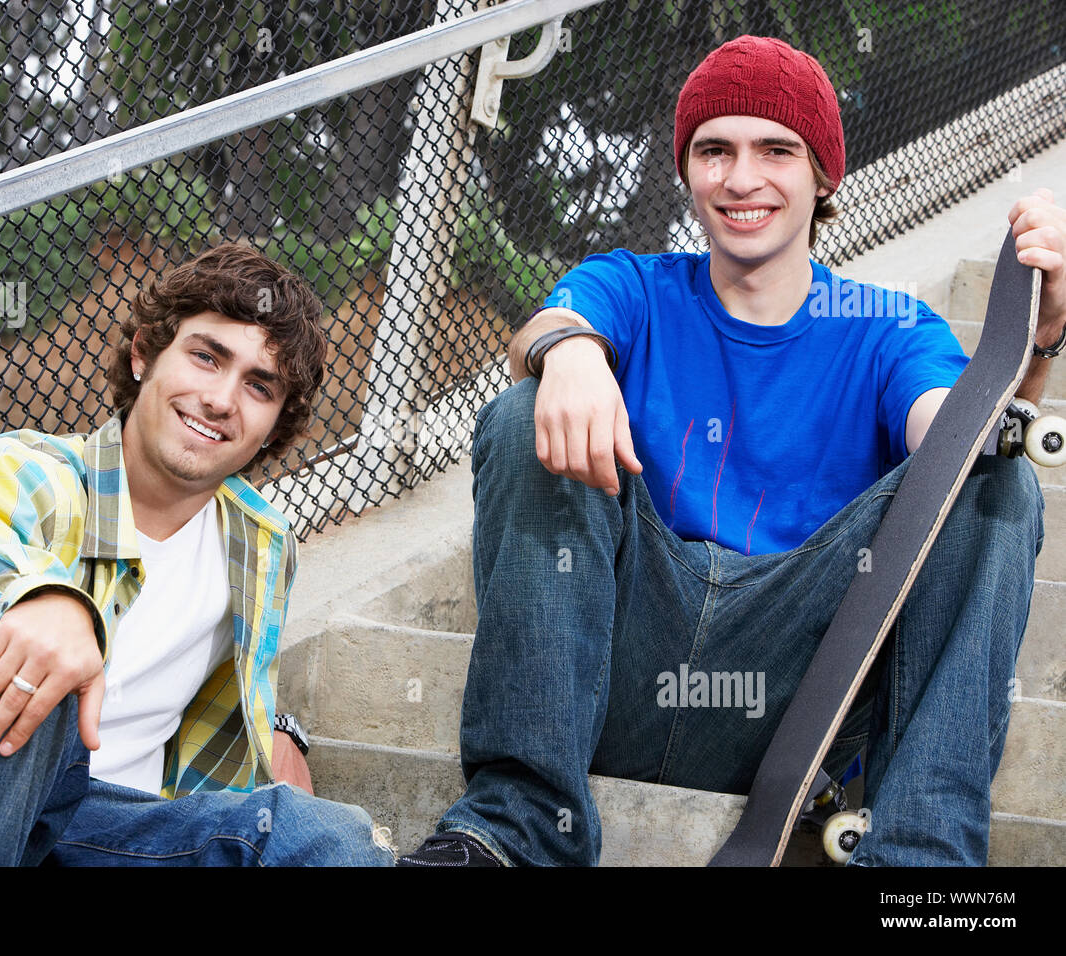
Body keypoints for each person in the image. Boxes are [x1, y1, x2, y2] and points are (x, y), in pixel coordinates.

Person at [398, 35, 1066, 867]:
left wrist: (1030, 347)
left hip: (794, 688)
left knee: (994, 485)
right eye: (715, 150)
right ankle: (515, 826)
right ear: (686, 171)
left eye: (775, 151)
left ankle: (917, 863)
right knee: (521, 413)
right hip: (622, 661)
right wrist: (566, 353)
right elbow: (551, 322)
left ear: (825, 176)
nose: (741, 178)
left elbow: (953, 430)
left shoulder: (887, 328)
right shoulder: (635, 286)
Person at [0, 243, 395, 866]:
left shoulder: (262, 543)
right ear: (145, 353)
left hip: (94, 831)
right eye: (206, 357)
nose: (222, 400)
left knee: (327, 839)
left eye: (259, 388)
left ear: (276, 424)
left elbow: (220, 719)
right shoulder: (18, 468)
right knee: (17, 669)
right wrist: (47, 602)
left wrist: (280, 734)